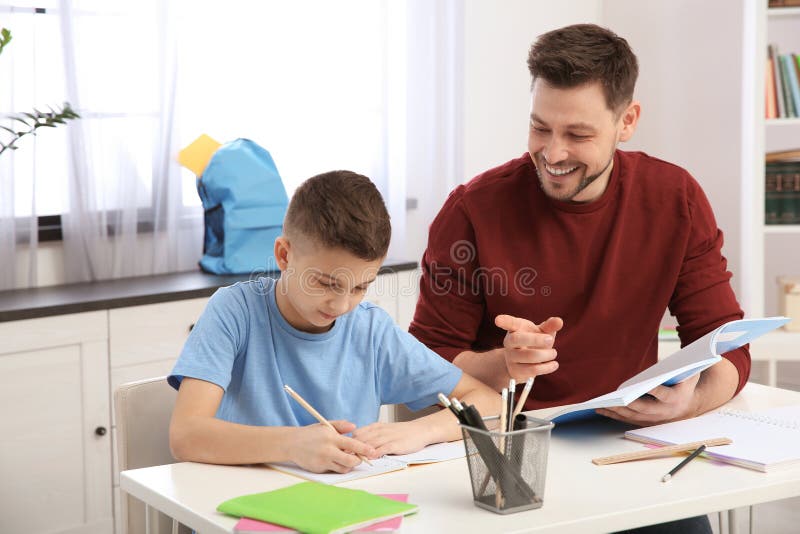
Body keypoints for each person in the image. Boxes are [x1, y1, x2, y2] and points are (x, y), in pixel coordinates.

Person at [410, 22, 740, 534]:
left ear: (627, 121)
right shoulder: (473, 210)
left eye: (578, 135)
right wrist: (504, 364)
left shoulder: (675, 199)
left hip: (629, 453)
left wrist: (688, 401)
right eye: (540, 128)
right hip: (508, 461)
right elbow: (421, 369)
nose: (553, 153)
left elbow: (727, 344)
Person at [168, 170, 499, 474]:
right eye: (326, 283)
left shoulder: (371, 331)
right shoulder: (234, 311)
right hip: (239, 508)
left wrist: (418, 431)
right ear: (284, 255)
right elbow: (185, 435)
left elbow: (489, 403)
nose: (342, 304)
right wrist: (293, 444)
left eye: (360, 287)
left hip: (341, 509)